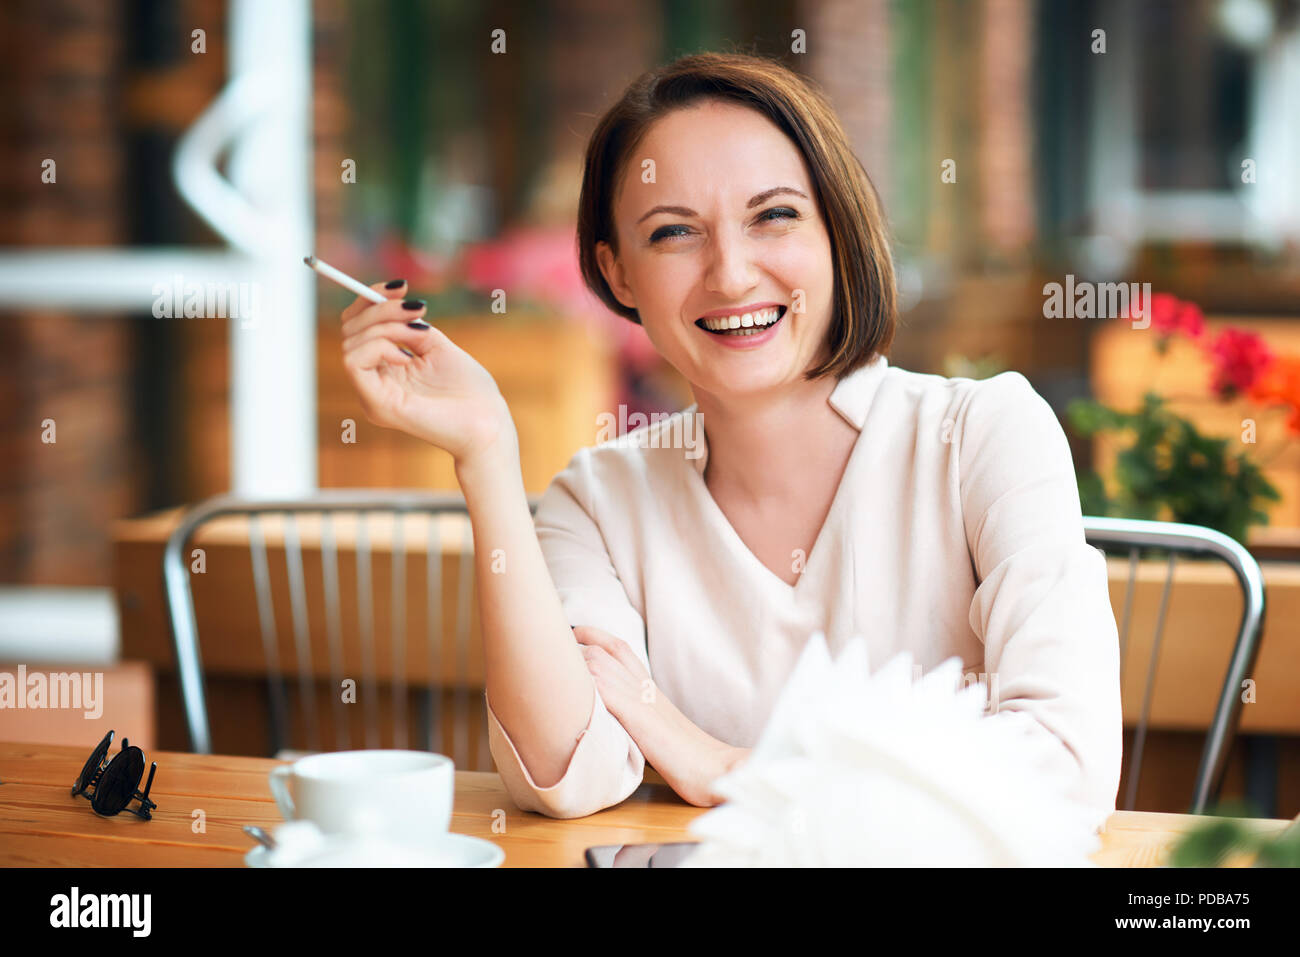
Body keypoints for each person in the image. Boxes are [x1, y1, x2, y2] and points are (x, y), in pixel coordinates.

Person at [338, 52, 1122, 825]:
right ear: (617, 275)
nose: (732, 274)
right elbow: (566, 771)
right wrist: (486, 453)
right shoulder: (600, 499)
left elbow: (1067, 766)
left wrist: (728, 765)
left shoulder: (982, 438)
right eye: (675, 233)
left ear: (835, 232)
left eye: (773, 215)